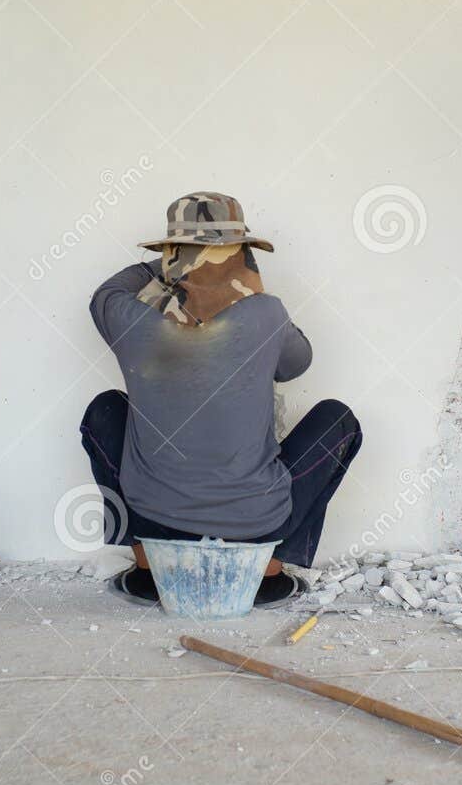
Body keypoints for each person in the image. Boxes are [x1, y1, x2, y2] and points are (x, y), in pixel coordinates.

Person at [80, 193, 362, 606]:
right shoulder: (266, 313)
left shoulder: (128, 315)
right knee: (338, 420)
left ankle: (147, 570)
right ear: (241, 253)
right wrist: (239, 286)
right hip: (255, 522)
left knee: (105, 409)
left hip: (154, 518)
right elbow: (296, 364)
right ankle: (268, 574)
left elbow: (105, 292)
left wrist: (169, 267)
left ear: (171, 252)